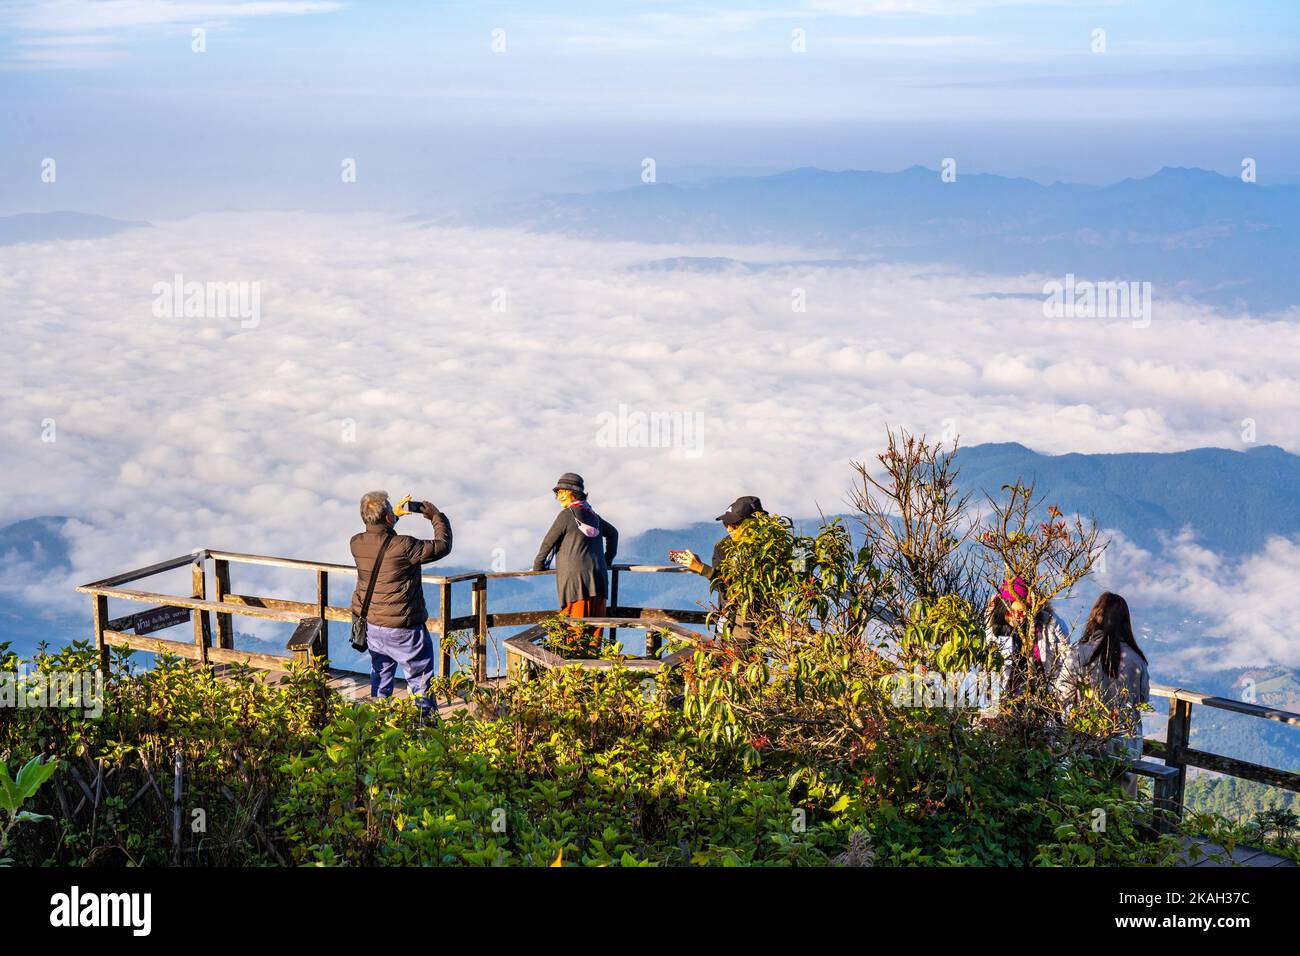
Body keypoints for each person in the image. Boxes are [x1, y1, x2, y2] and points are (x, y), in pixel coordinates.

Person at [350, 490, 453, 718]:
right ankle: (427, 730)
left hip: (374, 627)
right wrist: (437, 516)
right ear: (386, 518)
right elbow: (442, 546)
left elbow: (379, 535)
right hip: (405, 630)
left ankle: (379, 722)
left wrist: (394, 515)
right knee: (420, 681)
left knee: (381, 677)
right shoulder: (405, 546)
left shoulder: (356, 543)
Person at [1056, 592, 1151, 796]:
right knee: (1123, 807)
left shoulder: (1078, 654)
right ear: (1125, 623)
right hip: (1127, 747)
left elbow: (1061, 695)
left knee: (1085, 801)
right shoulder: (1137, 660)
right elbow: (1143, 700)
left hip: (1088, 742)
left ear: (1094, 618)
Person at [532, 473, 619, 633]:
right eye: (557, 493)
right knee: (594, 636)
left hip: (576, 583)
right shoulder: (594, 516)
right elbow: (613, 534)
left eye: (561, 492)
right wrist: (606, 562)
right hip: (599, 582)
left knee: (574, 636)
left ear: (573, 493)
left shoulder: (567, 515)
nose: (559, 497)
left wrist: (538, 566)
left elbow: (548, 543)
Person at [672, 495, 766, 640]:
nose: (729, 529)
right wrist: (701, 568)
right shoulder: (722, 547)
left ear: (753, 522)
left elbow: (799, 564)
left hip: (761, 620)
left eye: (735, 524)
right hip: (730, 618)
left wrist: (802, 563)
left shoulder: (771, 545)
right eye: (726, 524)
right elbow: (724, 586)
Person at [983, 575, 1070, 701]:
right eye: (1012, 612)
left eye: (1023, 612)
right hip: (1003, 698)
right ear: (1003, 608)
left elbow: (1066, 661)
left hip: (1036, 695)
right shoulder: (991, 626)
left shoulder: (1050, 626)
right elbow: (990, 673)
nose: (1018, 617)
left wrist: (1055, 698)